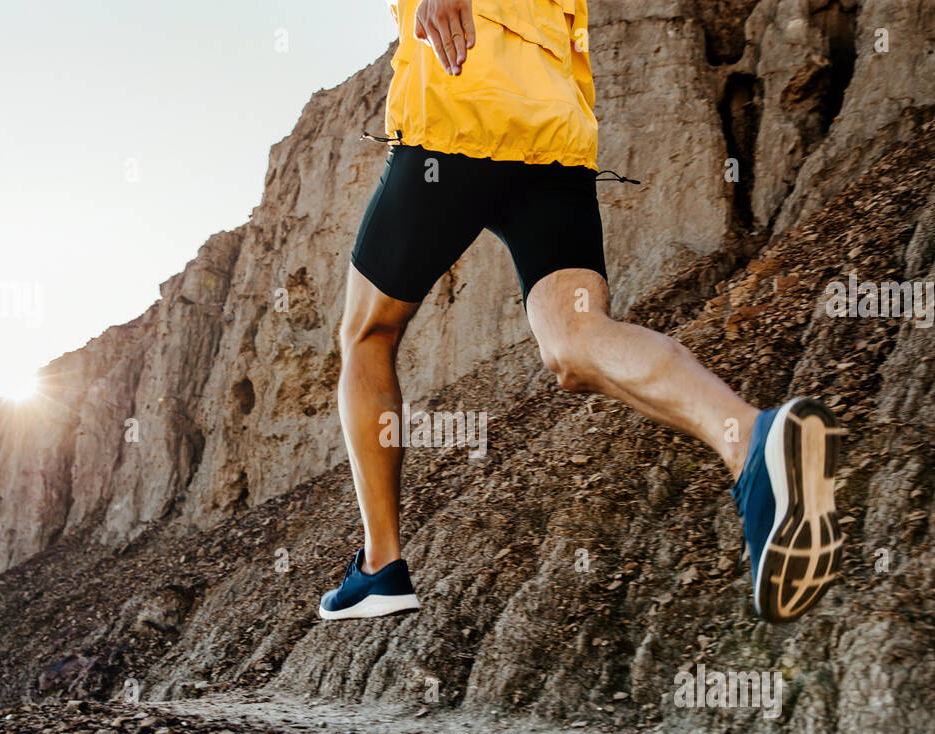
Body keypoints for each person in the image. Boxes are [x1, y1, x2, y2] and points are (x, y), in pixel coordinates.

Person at [320, 0, 843, 623]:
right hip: (552, 123)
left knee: (367, 333)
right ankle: (752, 441)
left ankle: (381, 566)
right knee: (576, 341)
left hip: (465, 99)